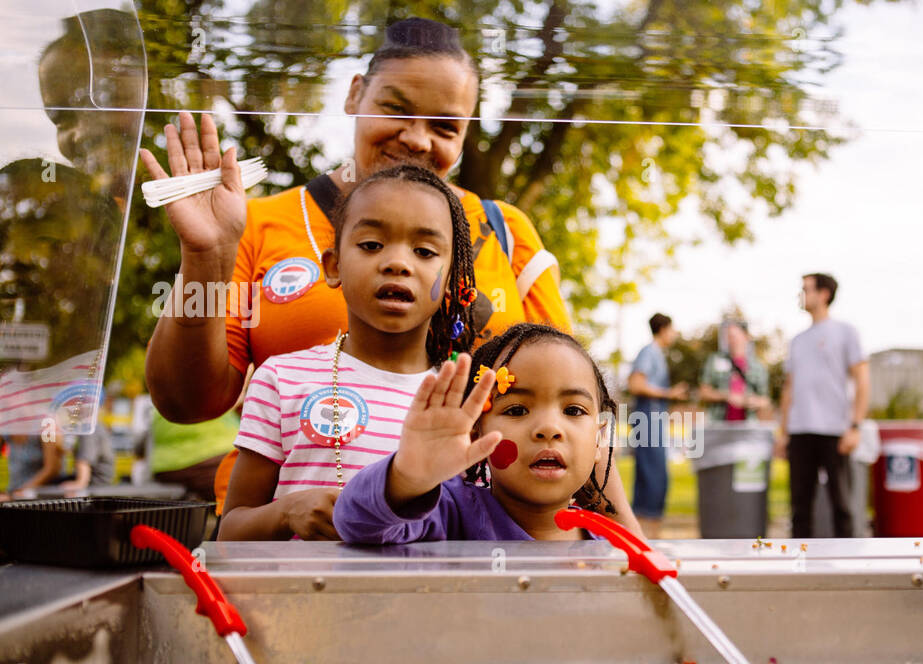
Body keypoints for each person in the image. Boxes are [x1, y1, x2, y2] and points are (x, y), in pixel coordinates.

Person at [138, 17, 642, 530]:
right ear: (356, 94)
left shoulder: (504, 232)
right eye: (395, 108)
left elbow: (575, 414)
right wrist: (206, 257)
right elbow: (186, 401)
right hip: (285, 556)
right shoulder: (255, 224)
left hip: (458, 555)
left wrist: (634, 547)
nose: (418, 139)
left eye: (446, 126)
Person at [219, 164, 477, 539]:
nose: (397, 263)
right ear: (334, 266)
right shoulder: (281, 380)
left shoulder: (463, 402)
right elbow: (229, 533)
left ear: (453, 278)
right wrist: (286, 513)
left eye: (424, 251)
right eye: (372, 245)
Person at [334, 324, 619, 543]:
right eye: (517, 410)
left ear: (599, 439)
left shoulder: (610, 549)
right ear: (475, 434)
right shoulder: (448, 513)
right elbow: (356, 523)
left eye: (573, 411)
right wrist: (407, 477)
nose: (549, 429)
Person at [776, 274, 868, 538]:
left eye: (806, 289)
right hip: (800, 431)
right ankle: (800, 571)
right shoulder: (797, 340)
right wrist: (783, 433)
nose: (802, 294)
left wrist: (855, 426)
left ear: (824, 294)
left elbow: (862, 381)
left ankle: (847, 568)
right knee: (799, 508)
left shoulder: (845, 332)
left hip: (834, 431)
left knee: (842, 506)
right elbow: (789, 388)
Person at [625, 313, 687, 538]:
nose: (674, 334)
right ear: (663, 329)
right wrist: (669, 393)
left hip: (653, 421)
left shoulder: (656, 354)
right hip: (647, 422)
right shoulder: (649, 352)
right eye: (672, 329)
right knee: (655, 477)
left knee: (648, 476)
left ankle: (643, 535)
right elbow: (635, 384)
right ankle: (649, 535)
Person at [698, 319, 770, 422]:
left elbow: (766, 400)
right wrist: (727, 396)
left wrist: (755, 402)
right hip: (719, 425)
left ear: (746, 336)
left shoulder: (758, 366)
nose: (732, 340)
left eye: (735, 336)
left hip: (748, 426)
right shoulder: (714, 360)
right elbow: (703, 392)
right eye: (729, 336)